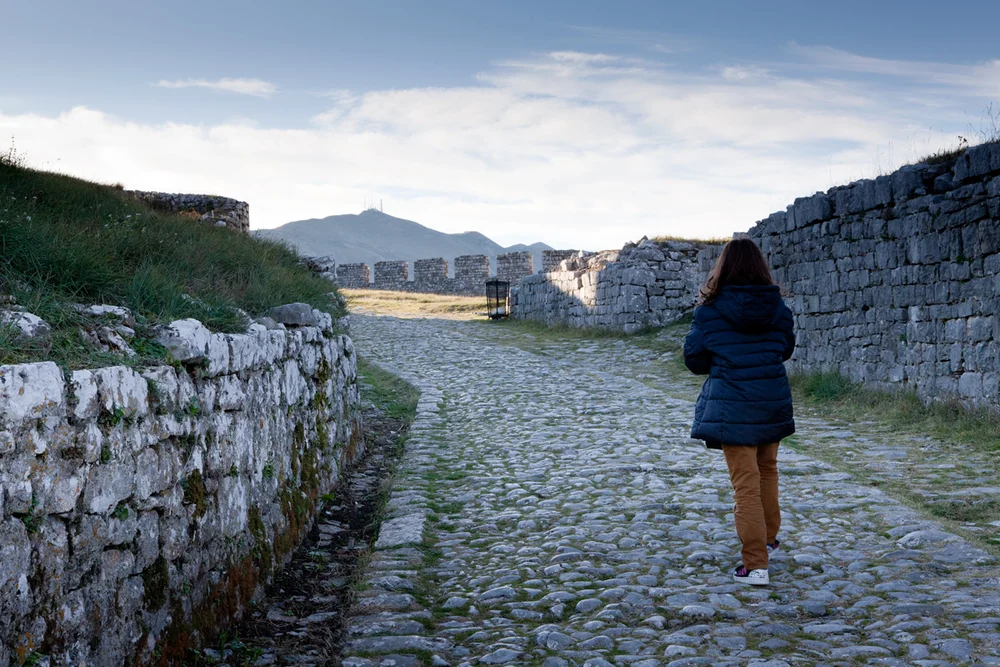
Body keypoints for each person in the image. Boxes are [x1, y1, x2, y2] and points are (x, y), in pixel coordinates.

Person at [683, 237, 795, 586]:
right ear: (761, 267)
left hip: (732, 406)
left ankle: (755, 564)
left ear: (723, 268)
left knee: (745, 485)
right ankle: (768, 538)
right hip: (770, 402)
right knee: (768, 472)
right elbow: (784, 350)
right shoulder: (779, 310)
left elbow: (695, 359)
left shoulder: (711, 311)